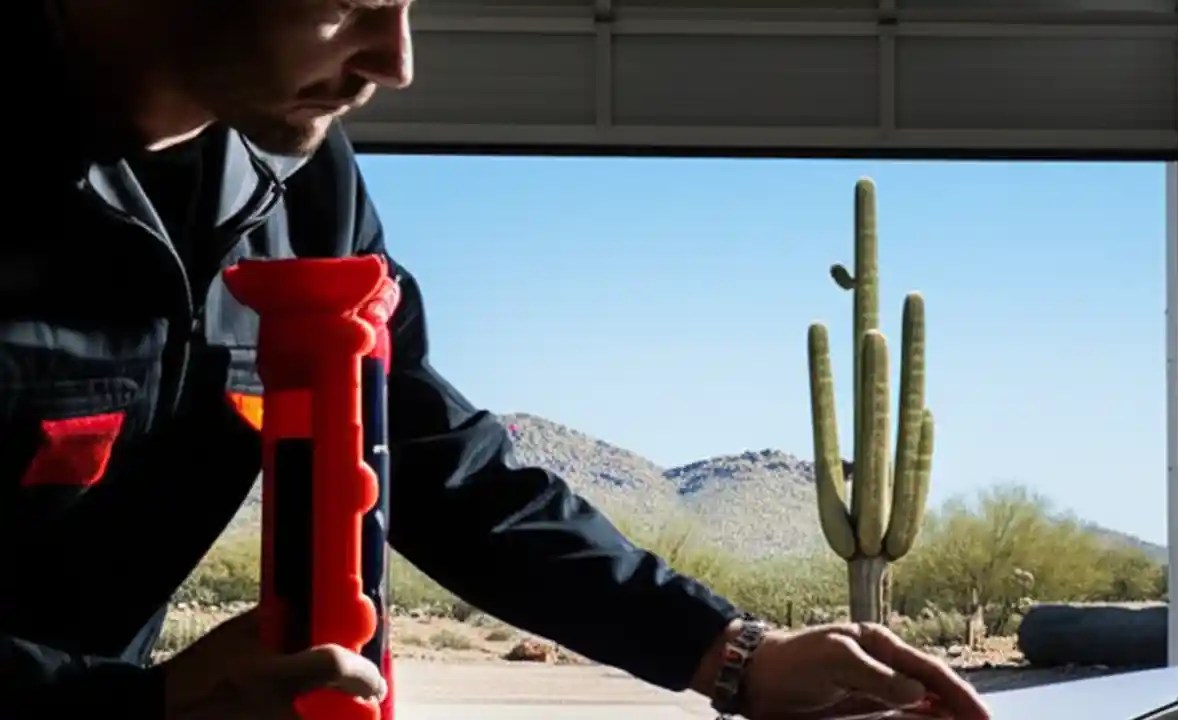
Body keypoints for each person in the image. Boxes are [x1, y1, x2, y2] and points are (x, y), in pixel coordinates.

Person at [1, 1, 991, 719]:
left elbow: (433, 460)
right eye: (349, 4)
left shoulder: (298, 177)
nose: (396, 59)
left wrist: (733, 655)